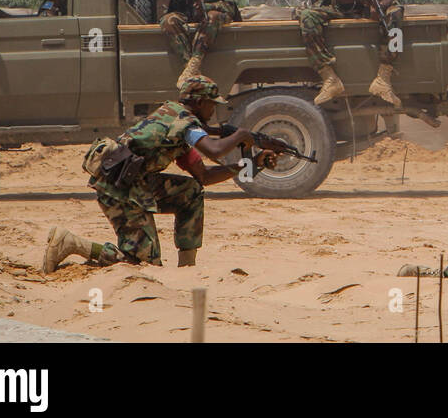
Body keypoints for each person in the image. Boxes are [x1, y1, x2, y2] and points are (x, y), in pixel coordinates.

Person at [41, 76, 277, 272]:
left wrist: (253, 164)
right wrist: (242, 135)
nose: (214, 109)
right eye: (211, 104)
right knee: (142, 264)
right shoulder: (184, 122)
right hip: (120, 190)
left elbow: (203, 177)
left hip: (134, 184)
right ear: (198, 102)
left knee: (191, 192)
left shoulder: (177, 123)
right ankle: (72, 243)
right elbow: (214, 149)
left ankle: (187, 268)